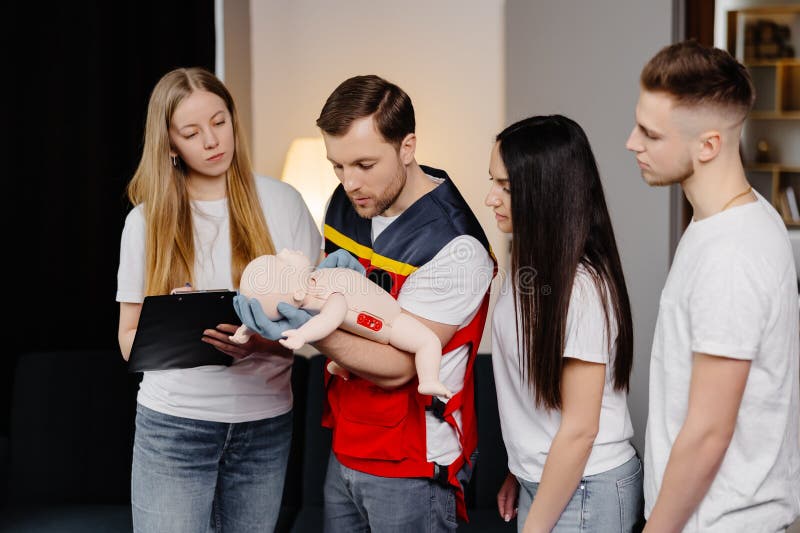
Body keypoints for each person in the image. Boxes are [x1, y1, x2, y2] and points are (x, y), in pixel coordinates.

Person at [234, 74, 496, 532]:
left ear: (408, 147)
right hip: (348, 445)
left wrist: (310, 319)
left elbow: (399, 366)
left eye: (364, 164)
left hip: (412, 465)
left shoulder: (455, 246)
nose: (349, 182)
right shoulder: (346, 203)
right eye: (337, 166)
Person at [116, 67, 321, 532]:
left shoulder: (282, 202)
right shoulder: (145, 223)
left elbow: (316, 321)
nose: (212, 140)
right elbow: (129, 339)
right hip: (173, 427)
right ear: (169, 143)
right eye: (191, 132)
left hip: (265, 426)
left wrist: (260, 344)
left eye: (220, 121)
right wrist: (177, 328)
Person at [626, 40, 800, 532]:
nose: (631, 143)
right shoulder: (729, 222)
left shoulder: (731, 253)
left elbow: (708, 431)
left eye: (650, 134)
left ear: (708, 145)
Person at [487, 115, 643, 532]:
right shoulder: (528, 268)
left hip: (588, 485)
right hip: (551, 478)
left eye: (506, 187)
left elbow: (579, 429)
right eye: (494, 183)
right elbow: (536, 394)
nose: (491, 199)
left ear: (544, 192)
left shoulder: (583, 288)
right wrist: (520, 471)